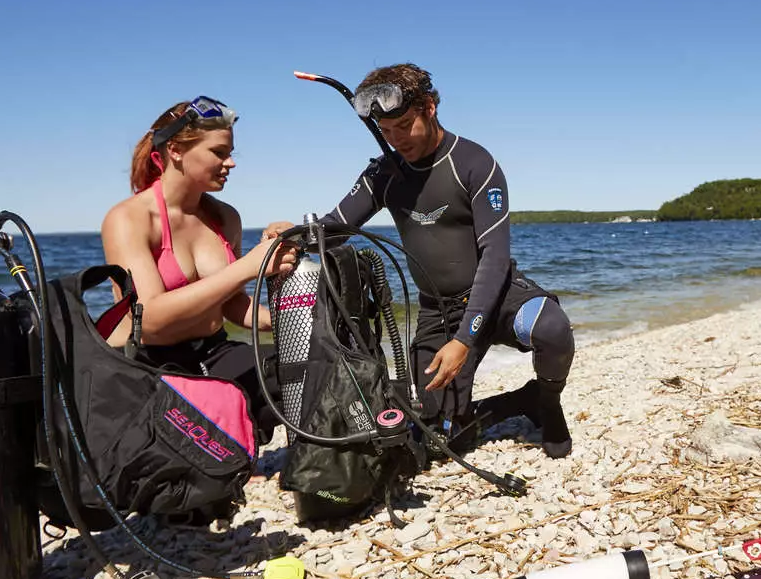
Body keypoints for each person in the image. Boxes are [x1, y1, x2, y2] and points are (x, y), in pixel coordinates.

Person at [320, 64, 576, 458]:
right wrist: (295, 232)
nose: (395, 139)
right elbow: (334, 226)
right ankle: (520, 402)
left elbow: (495, 255)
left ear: (429, 108)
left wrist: (463, 341)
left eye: (404, 125)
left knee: (552, 328)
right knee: (440, 442)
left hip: (498, 294)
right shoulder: (383, 174)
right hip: (437, 312)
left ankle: (547, 398)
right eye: (385, 131)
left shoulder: (473, 162)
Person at [101, 95, 295, 447]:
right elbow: (151, 317)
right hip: (150, 363)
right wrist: (249, 267)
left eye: (230, 152)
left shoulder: (225, 218)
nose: (231, 163)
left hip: (213, 352)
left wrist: (298, 314)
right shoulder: (128, 219)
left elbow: (233, 307)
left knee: (305, 367)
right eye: (219, 152)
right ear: (175, 150)